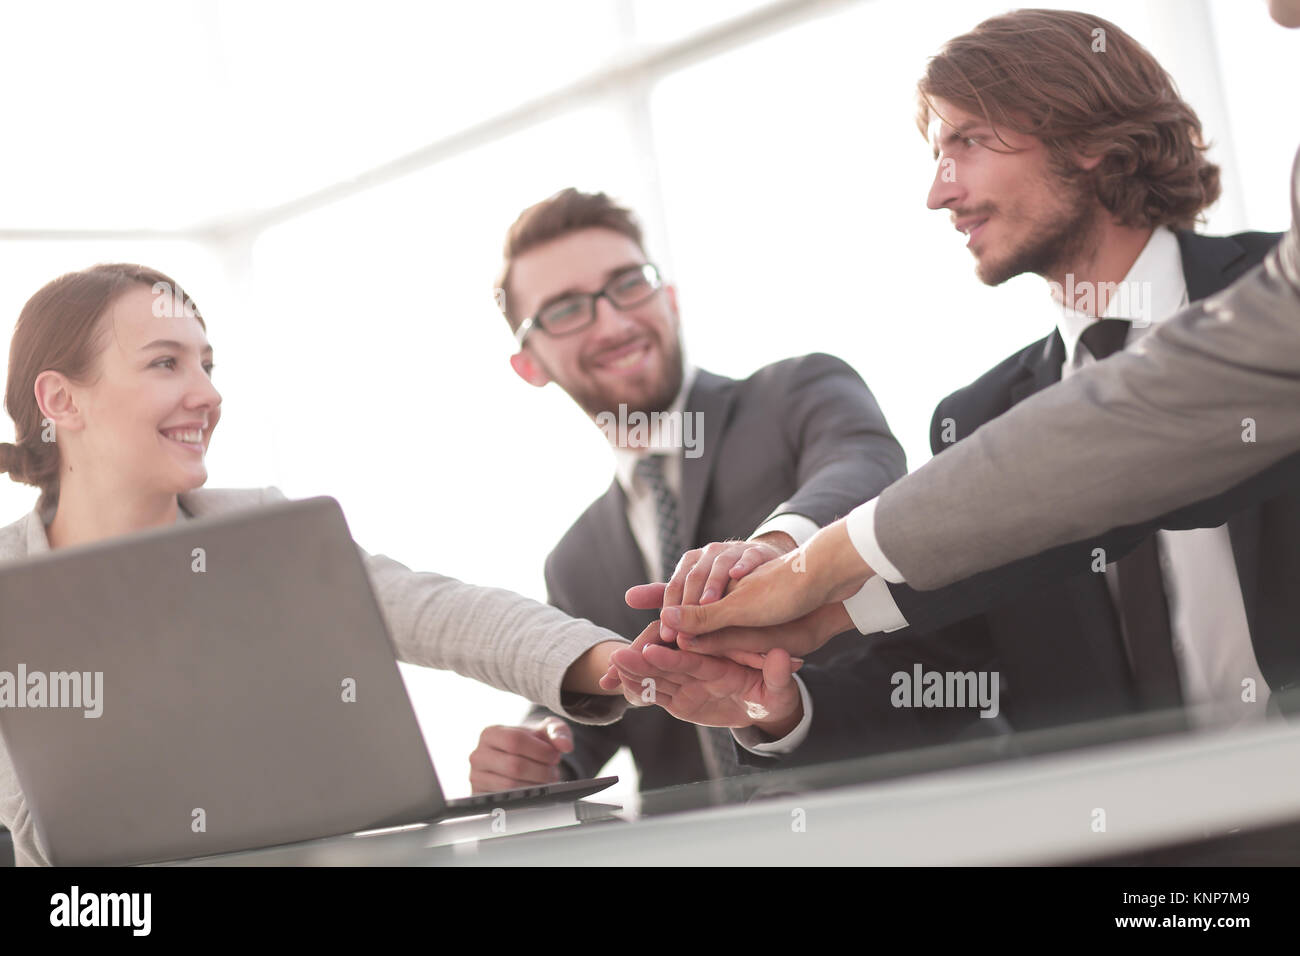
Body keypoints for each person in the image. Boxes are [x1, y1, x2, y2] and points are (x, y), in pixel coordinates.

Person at [642, 4, 1300, 680]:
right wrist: (780, 700)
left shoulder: (1282, 295)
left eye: (969, 142)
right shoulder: (975, 419)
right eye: (937, 153)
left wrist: (821, 562)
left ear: (1086, 136)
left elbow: (1132, 438)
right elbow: (947, 668)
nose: (938, 193)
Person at [0, 263, 637, 866]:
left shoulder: (259, 531)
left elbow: (443, 613)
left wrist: (626, 665)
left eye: (208, 364)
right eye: (166, 363)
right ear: (61, 400)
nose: (209, 394)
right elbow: (44, 831)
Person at [467, 189, 906, 793]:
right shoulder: (574, 562)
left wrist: (780, 548)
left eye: (628, 285)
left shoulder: (797, 393)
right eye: (566, 310)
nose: (614, 322)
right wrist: (534, 756)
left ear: (668, 300)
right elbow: (586, 714)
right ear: (530, 365)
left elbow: (865, 464)